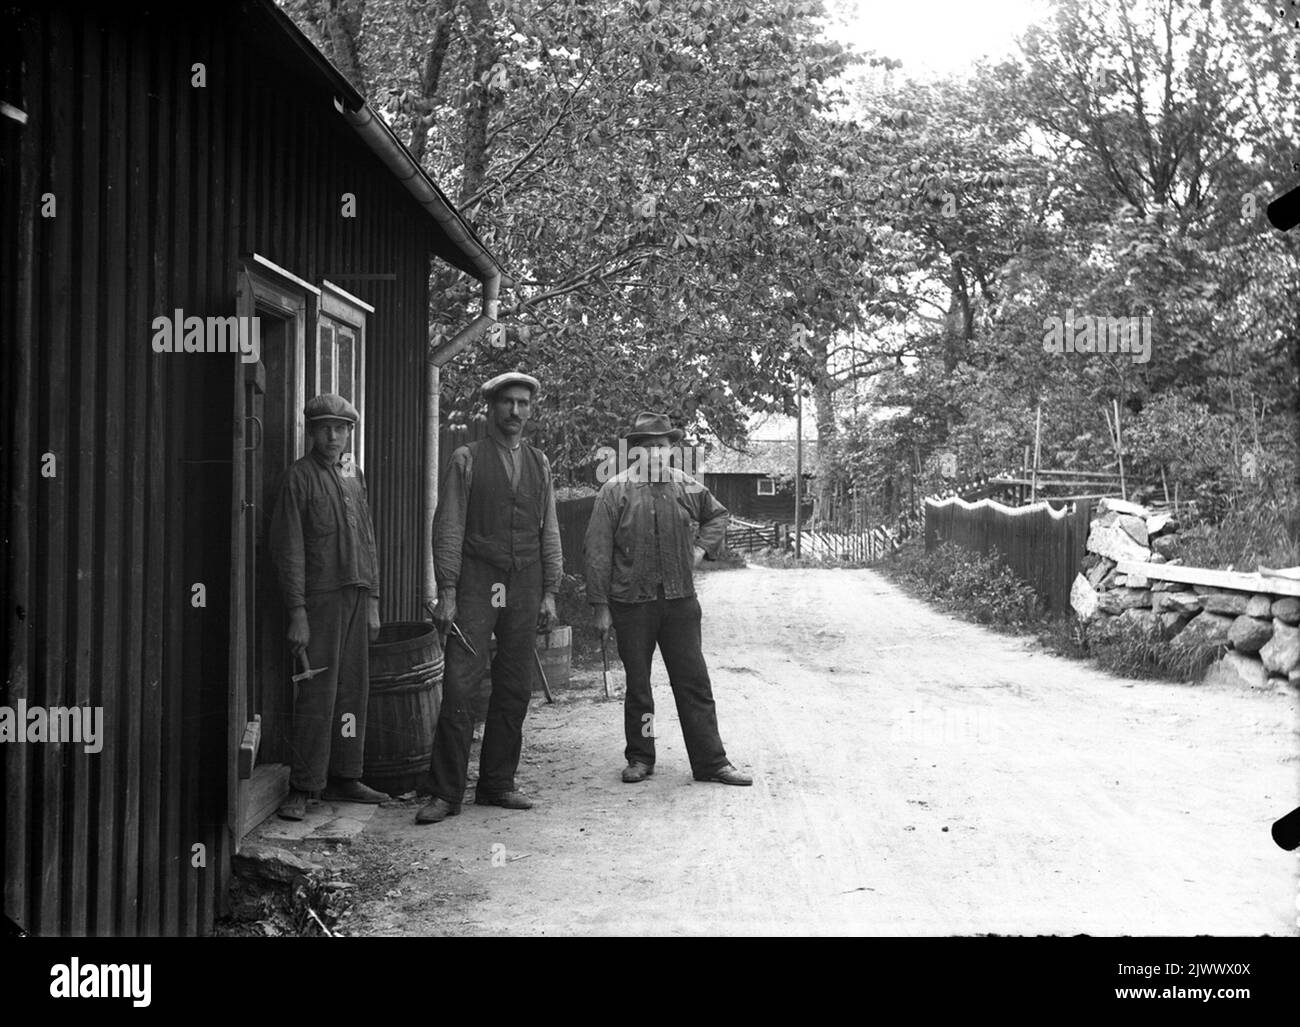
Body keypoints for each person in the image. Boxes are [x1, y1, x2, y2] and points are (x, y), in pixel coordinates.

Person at [417, 371, 562, 824]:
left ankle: (498, 783)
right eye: (507, 402)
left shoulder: (540, 463)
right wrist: (447, 590)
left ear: (530, 410)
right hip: (478, 582)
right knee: (461, 685)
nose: (515, 411)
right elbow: (449, 527)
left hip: (525, 582)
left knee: (515, 686)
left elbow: (550, 529)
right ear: (491, 408)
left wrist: (550, 591)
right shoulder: (466, 459)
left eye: (523, 403)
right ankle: (445, 793)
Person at [584, 411, 752, 787]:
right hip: (632, 604)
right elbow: (597, 551)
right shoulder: (614, 491)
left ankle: (711, 762)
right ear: (635, 452)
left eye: (661, 446)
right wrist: (600, 606)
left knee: (694, 682)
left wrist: (700, 549)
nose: (655, 453)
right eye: (646, 447)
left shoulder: (686, 487)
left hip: (680, 602)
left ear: (672, 449)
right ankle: (640, 757)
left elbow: (718, 516)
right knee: (639, 685)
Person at [269, 393, 389, 820]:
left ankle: (346, 775)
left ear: (349, 432)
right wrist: (297, 612)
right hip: (319, 600)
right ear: (311, 432)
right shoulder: (298, 478)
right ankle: (305, 785)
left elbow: (368, 539)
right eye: (324, 429)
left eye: (340, 429)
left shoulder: (354, 475)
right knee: (317, 692)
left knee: (353, 690)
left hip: (356, 595)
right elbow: (289, 549)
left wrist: (373, 600)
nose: (333, 436)